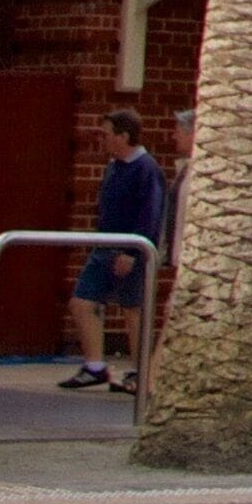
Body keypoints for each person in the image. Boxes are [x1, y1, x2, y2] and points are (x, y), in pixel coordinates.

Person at [62, 109, 172, 395]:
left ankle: (139, 371)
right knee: (82, 302)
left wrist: (133, 252)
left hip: (130, 249)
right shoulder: (114, 166)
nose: (104, 140)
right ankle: (95, 366)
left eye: (107, 134)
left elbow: (151, 214)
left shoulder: (146, 169)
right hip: (105, 246)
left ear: (124, 136)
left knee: (133, 310)